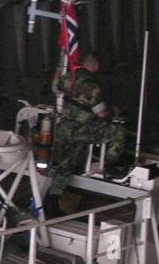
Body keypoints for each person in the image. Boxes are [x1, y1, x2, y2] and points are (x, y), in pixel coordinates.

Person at [48, 53, 127, 208]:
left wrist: (59, 70)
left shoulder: (68, 78)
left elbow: (54, 86)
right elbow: (101, 113)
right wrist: (113, 112)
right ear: (95, 65)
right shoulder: (93, 86)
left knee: (64, 163)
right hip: (82, 130)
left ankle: (51, 199)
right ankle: (107, 166)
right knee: (119, 132)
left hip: (63, 128)